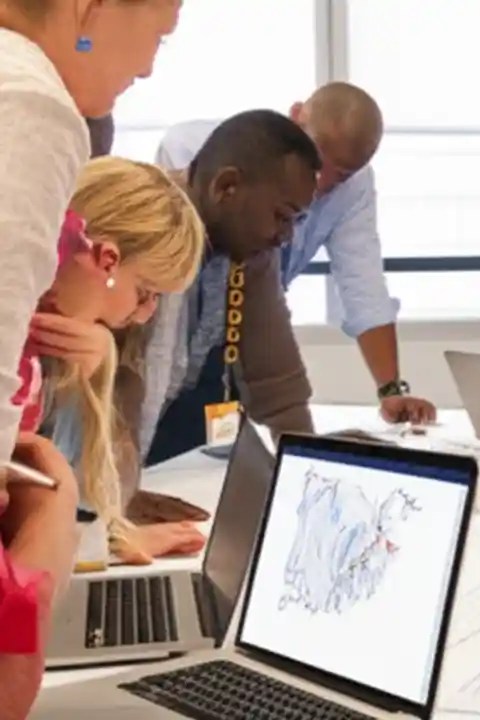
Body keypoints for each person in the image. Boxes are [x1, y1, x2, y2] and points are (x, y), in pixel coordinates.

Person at [0, 1, 181, 717]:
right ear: (89, 8)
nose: (147, 65)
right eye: (158, 37)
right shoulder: (31, 104)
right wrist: (47, 534)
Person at [155, 82, 436, 425]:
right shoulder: (193, 156)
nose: (322, 182)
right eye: (281, 216)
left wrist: (390, 389)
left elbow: (363, 284)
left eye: (342, 174)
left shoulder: (260, 254)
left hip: (230, 341)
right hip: (172, 328)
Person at [33, 158, 206, 564]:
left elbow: (79, 505)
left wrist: (109, 540)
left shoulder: (80, 347)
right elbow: (24, 536)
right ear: (105, 259)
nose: (145, 314)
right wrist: (103, 544)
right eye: (144, 291)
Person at [130, 109, 320, 478]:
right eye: (282, 216)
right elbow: (99, 382)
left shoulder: (253, 249)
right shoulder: (138, 224)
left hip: (165, 456)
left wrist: (309, 469)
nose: (287, 236)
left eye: (296, 221)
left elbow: (275, 375)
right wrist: (117, 493)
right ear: (226, 187)